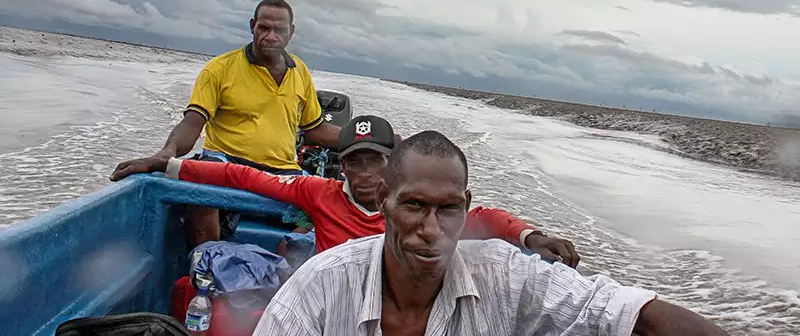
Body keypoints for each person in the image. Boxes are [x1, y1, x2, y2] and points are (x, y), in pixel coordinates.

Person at [252, 131, 729, 336]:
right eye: (414, 206)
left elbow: (627, 314)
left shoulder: (505, 276)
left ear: (467, 207)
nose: (431, 230)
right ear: (384, 203)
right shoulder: (320, 284)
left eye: (449, 210)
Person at [123, 114, 580, 267]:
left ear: (394, 164)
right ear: (341, 166)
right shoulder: (318, 193)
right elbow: (243, 177)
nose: (365, 174)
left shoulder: (420, 207)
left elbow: (488, 218)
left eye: (375, 161)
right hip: (331, 298)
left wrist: (533, 237)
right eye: (354, 162)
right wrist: (168, 163)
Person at [110, 0, 342, 248]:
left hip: (281, 169)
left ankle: (282, 268)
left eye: (279, 30)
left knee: (333, 206)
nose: (271, 36)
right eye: (264, 27)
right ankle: (208, 267)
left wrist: (376, 140)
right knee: (201, 191)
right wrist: (168, 152)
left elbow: (316, 129)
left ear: (291, 32)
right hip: (226, 161)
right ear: (252, 26)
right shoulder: (219, 69)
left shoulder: (301, 72)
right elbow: (193, 122)